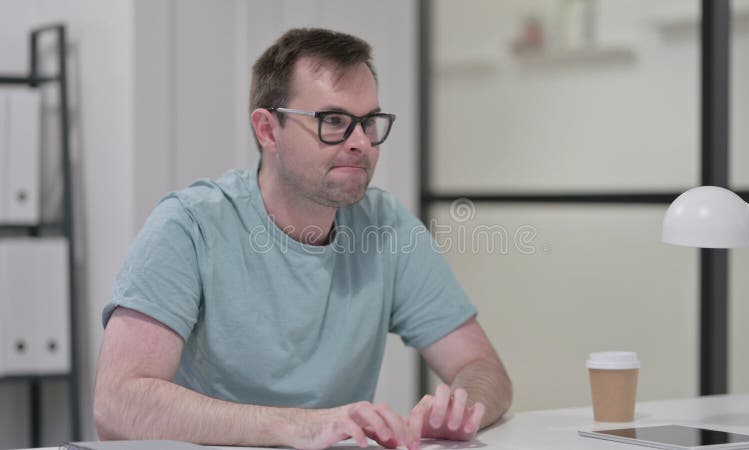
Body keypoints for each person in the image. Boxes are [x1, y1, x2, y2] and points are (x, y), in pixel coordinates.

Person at [93, 28, 512, 450]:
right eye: (333, 121)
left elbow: (483, 368)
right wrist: (294, 426)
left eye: (369, 122)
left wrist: (460, 406)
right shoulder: (190, 225)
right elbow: (116, 404)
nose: (360, 143)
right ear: (268, 130)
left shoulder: (387, 227)